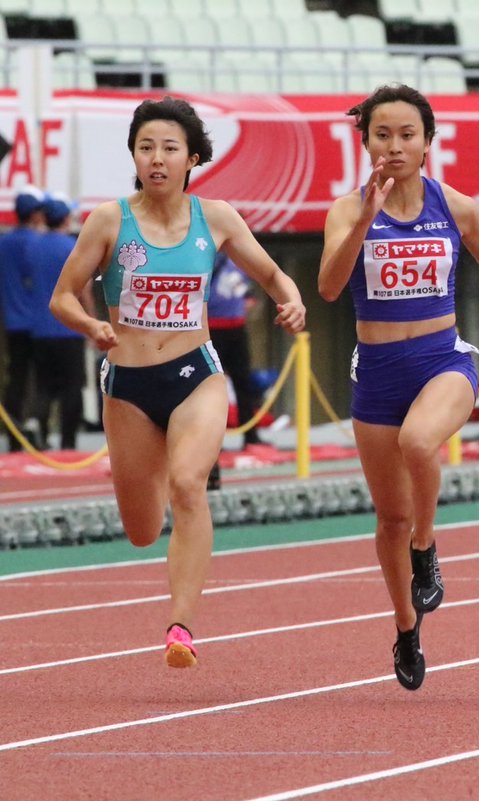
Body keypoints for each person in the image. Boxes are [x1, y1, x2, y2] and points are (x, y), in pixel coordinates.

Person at [49, 96, 306, 669]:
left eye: (169, 148)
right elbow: (61, 296)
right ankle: (158, 459)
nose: (157, 159)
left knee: (190, 485)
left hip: (196, 375)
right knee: (142, 530)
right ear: (134, 156)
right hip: (128, 387)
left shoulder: (216, 218)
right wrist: (91, 324)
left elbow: (272, 273)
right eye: (146, 148)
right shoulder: (109, 220)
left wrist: (291, 300)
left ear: (192, 158)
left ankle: (181, 627)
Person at [318, 84, 479, 691]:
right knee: (389, 518)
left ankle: (427, 547)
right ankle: (406, 627)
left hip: (442, 359)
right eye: (382, 135)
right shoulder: (345, 210)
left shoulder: (456, 207)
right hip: (378, 373)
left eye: (406, 135)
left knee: (419, 443)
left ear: (427, 143)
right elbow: (330, 288)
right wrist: (366, 219)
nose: (394, 146)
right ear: (366, 144)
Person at [29, 193, 87, 451]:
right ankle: (68, 441)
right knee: (72, 387)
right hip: (70, 328)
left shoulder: (34, 245)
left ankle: (40, 434)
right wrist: (90, 320)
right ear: (64, 218)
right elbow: (84, 289)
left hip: (40, 329)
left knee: (43, 385)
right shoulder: (71, 247)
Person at [1, 186, 46, 451]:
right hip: (40, 323)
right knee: (41, 381)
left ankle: (14, 436)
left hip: (13, 321)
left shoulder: (3, 243)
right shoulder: (38, 242)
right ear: (37, 214)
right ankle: (35, 431)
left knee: (16, 379)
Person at [208, 251, 265, 450]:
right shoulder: (212, 256)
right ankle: (212, 439)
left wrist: (248, 300)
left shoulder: (241, 258)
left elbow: (247, 288)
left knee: (243, 382)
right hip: (212, 328)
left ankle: (251, 435)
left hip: (237, 327)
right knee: (211, 385)